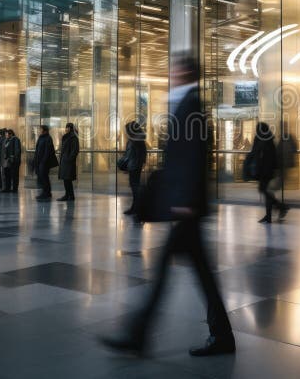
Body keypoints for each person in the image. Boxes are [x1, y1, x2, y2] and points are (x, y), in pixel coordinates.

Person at [100, 54, 235, 357]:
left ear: (185, 72)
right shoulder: (187, 104)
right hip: (186, 207)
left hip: (187, 208)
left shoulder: (191, 106)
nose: (171, 75)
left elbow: (194, 157)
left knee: (166, 272)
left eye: (174, 70)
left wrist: (185, 200)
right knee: (200, 274)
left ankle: (139, 336)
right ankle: (220, 336)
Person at [248, 122, 286, 224]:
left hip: (264, 170)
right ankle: (269, 215)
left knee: (264, 190)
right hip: (266, 170)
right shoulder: (268, 139)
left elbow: (257, 153)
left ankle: (280, 207)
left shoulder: (262, 139)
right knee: (266, 191)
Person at [122, 121, 146, 215]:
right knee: (134, 187)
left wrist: (137, 164)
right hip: (133, 165)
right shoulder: (135, 139)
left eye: (127, 130)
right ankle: (135, 207)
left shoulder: (137, 140)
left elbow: (140, 154)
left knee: (135, 187)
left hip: (135, 166)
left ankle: (137, 208)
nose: (126, 132)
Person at [34, 125, 58, 200]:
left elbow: (48, 151)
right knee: (42, 177)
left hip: (44, 162)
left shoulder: (48, 138)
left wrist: (44, 161)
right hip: (39, 161)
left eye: (40, 129)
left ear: (44, 130)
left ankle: (46, 193)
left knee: (44, 177)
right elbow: (38, 150)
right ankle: (46, 192)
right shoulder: (40, 138)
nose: (39, 130)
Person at [58, 123, 79, 201]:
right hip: (64, 161)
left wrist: (69, 159)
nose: (65, 129)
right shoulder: (66, 137)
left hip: (68, 162)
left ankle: (70, 195)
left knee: (68, 179)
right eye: (65, 127)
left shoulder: (73, 138)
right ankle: (67, 195)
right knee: (65, 179)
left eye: (67, 127)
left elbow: (75, 150)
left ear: (70, 128)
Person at [1, 129, 21, 193]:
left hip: (14, 161)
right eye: (5, 135)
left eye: (7, 135)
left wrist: (13, 157)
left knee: (14, 175)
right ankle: (7, 188)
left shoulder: (15, 139)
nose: (6, 136)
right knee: (7, 175)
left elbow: (17, 150)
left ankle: (14, 189)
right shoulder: (7, 140)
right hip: (8, 161)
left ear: (11, 134)